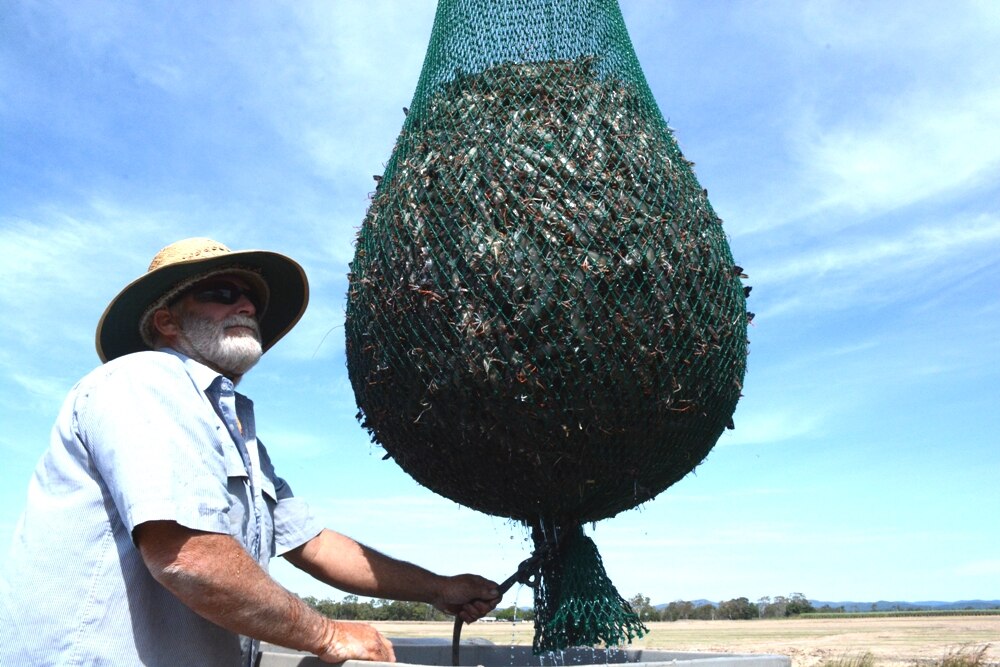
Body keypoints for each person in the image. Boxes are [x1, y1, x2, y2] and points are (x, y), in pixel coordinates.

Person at [0, 238, 501, 666]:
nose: (245, 307)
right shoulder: (144, 379)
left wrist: (439, 588)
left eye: (251, 302)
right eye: (221, 293)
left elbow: (312, 544)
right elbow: (190, 557)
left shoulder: (237, 434)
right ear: (166, 321)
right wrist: (327, 634)